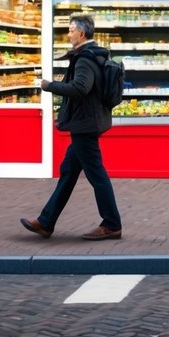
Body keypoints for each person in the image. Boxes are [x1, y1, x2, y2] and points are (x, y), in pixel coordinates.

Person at [20, 14, 123, 241]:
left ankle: (112, 224)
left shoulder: (85, 58)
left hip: (84, 124)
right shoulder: (95, 54)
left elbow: (80, 88)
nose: (68, 34)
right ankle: (46, 222)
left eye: (70, 30)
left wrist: (50, 86)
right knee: (68, 172)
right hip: (90, 121)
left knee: (97, 175)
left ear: (82, 33)